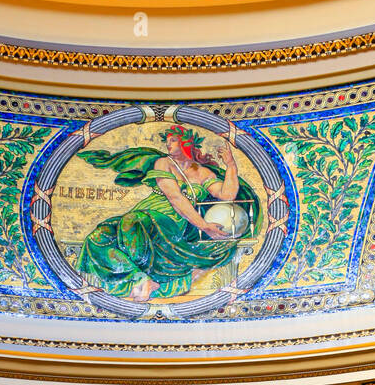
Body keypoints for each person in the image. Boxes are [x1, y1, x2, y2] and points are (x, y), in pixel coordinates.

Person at [75, 127, 260, 302]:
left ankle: (141, 280)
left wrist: (231, 165)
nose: (168, 144)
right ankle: (141, 279)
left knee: (132, 221)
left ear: (186, 143)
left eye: (173, 140)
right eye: (167, 140)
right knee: (98, 237)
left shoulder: (203, 173)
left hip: (170, 222)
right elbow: (174, 196)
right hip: (145, 214)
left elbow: (227, 195)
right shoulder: (164, 163)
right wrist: (204, 225)